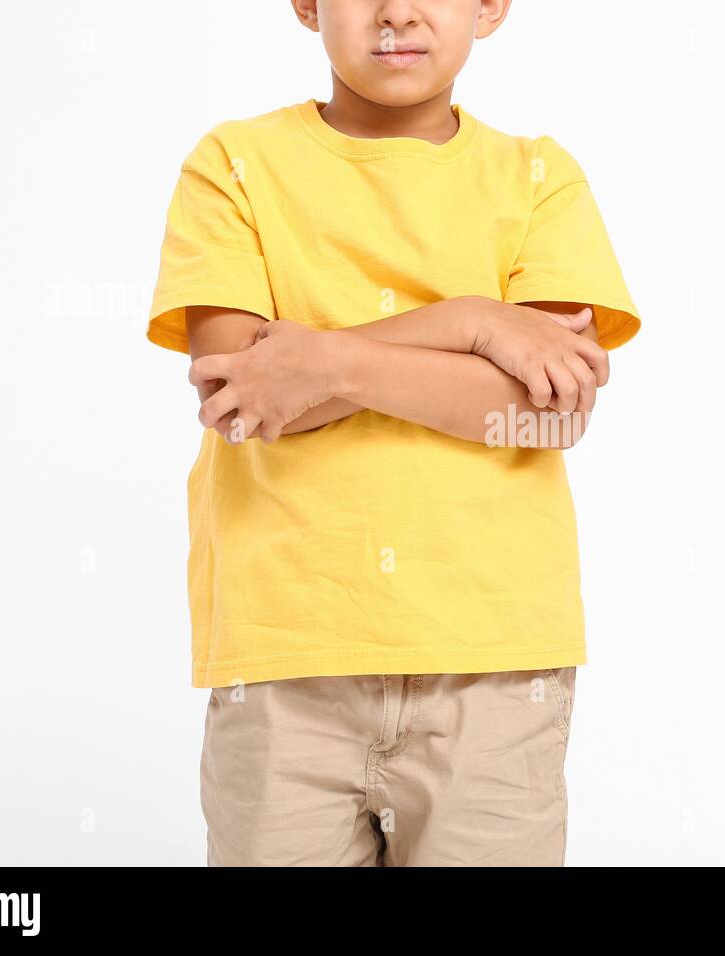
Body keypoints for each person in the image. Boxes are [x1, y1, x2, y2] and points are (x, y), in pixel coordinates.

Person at [145, 0, 640, 866]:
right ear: (306, 5)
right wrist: (472, 323)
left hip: (493, 666)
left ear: (490, 7)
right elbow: (240, 394)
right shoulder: (234, 165)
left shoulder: (538, 177)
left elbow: (544, 409)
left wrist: (326, 364)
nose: (397, 12)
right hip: (286, 657)